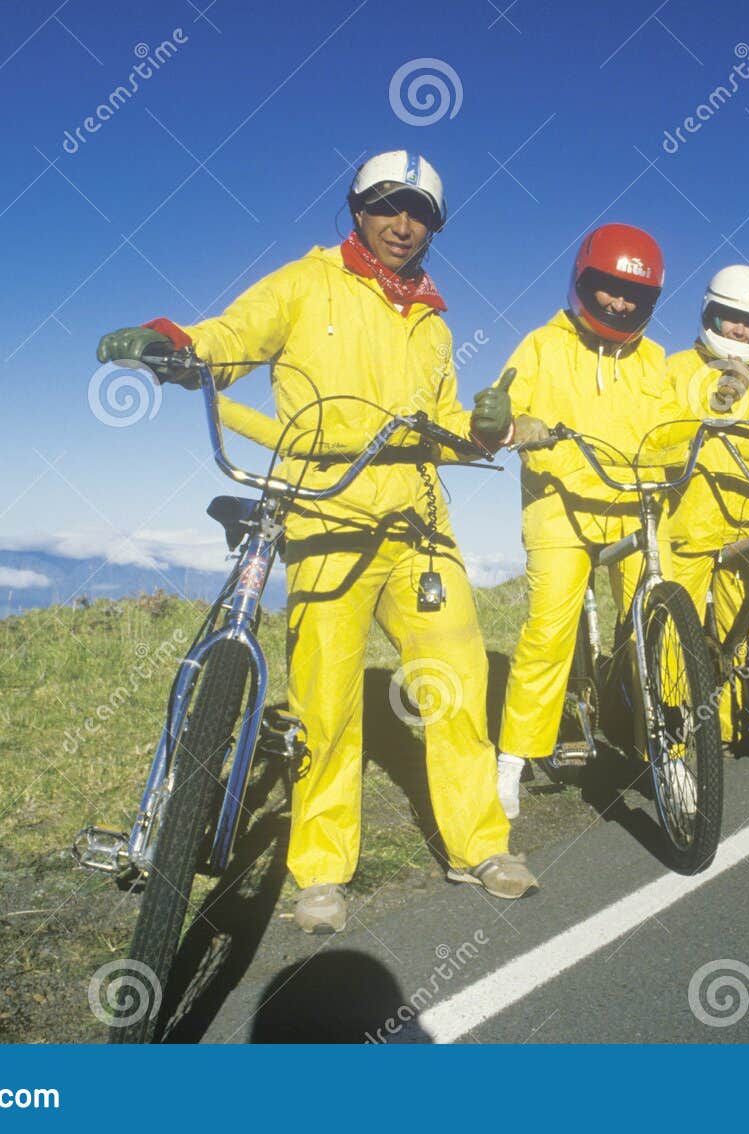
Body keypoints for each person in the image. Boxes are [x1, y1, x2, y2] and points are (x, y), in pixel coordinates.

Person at [95, 150, 533, 935]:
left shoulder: (434, 321)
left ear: (434, 228)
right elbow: (232, 337)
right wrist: (173, 343)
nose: (403, 224)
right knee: (326, 700)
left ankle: (480, 845)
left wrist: (483, 428)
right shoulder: (305, 282)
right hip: (326, 513)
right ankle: (323, 870)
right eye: (387, 205)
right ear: (357, 208)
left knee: (458, 681)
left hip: (418, 519)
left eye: (421, 213)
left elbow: (441, 420)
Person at [474, 223, 715, 819]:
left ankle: (668, 752)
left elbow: (671, 425)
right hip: (559, 508)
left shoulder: (653, 358)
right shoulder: (542, 345)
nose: (620, 303)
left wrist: (704, 427)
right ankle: (513, 757)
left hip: (635, 503)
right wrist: (500, 424)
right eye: (608, 287)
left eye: (634, 295)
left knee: (658, 632)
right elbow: (508, 409)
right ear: (582, 282)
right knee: (549, 631)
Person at [656, 265, 749, 757]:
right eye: (733, 317)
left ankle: (733, 727)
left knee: (747, 633)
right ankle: (671, 739)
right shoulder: (673, 369)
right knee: (677, 635)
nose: (742, 331)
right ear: (710, 313)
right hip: (686, 526)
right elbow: (656, 436)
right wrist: (710, 408)